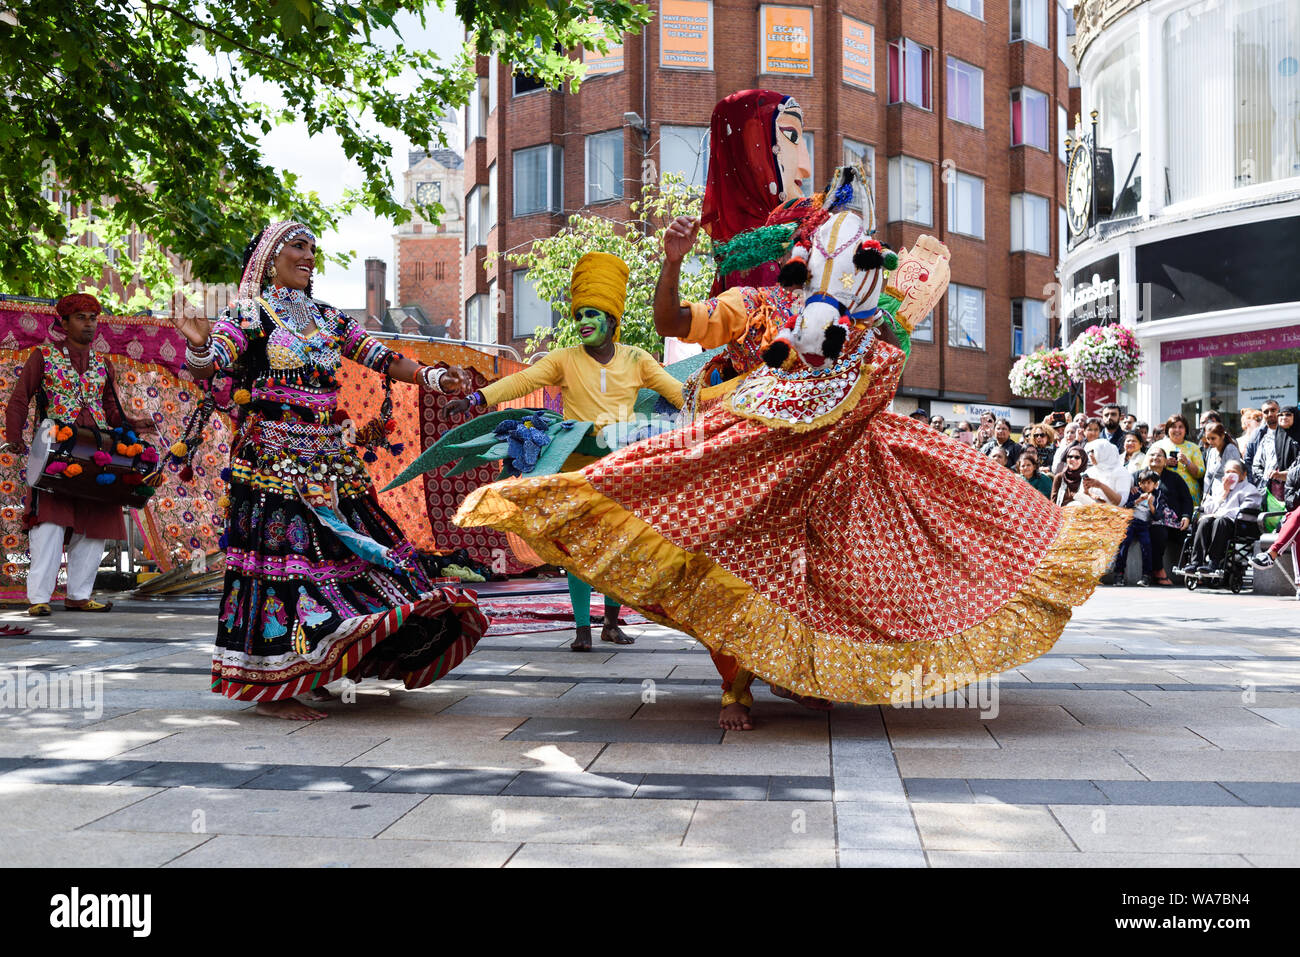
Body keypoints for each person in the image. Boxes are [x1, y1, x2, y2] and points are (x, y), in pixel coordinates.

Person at [458, 195, 1130, 734]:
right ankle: (735, 685)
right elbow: (672, 318)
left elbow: (876, 355)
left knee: (861, 565)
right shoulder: (749, 306)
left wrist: (876, 329)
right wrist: (672, 262)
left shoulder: (855, 310)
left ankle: (811, 673)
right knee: (734, 562)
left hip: (839, 458)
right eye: (805, 240)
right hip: (751, 454)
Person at [170, 221, 487, 720]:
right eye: (297, 247)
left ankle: (318, 665)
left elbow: (380, 357)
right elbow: (214, 362)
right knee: (286, 567)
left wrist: (434, 377)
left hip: (327, 459)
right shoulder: (250, 314)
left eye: (312, 249)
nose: (308, 256)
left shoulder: (326, 317)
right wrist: (198, 348)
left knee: (348, 557)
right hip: (272, 459)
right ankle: (273, 685)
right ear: (271, 256)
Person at [444, 252, 684, 651]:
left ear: (611, 319)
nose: (584, 322)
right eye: (579, 315)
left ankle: (611, 623)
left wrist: (718, 401)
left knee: (617, 546)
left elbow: (678, 394)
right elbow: (522, 382)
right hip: (574, 467)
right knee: (577, 550)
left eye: (593, 314)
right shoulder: (563, 359)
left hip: (617, 468)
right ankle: (581, 631)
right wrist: (475, 399)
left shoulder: (637, 359)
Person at [3, 294, 138, 616]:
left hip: (99, 454)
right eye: (81, 317)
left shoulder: (103, 363)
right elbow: (20, 399)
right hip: (55, 451)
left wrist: (133, 426)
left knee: (96, 523)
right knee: (49, 522)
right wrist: (13, 437)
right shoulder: (43, 356)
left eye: (93, 317)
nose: (89, 323)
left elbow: (110, 408)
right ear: (63, 323)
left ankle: (79, 595)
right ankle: (38, 598)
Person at [1184, 461, 1262, 575]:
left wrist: (1222, 514)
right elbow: (1207, 509)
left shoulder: (1250, 489)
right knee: (1205, 521)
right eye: (1227, 472)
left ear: (1244, 474)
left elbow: (1247, 510)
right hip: (1216, 523)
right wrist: (1224, 493)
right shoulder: (1220, 488)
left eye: (1234, 472)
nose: (1230, 475)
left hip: (1237, 525)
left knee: (1220, 521)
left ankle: (1214, 562)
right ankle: (1196, 562)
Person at [1145, 446, 1193, 586]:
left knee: (1187, 535)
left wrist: (1186, 516)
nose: (1156, 457)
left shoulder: (1174, 478)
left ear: (1165, 460)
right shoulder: (1138, 476)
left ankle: (1190, 568)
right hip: (1150, 520)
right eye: (1152, 454)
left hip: (1172, 520)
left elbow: (1186, 499)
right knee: (1158, 532)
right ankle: (1158, 570)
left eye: (1160, 455)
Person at [1114, 469, 1161, 586]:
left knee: (1147, 547)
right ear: (1139, 483)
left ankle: (1146, 576)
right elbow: (1125, 506)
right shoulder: (1135, 492)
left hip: (1144, 524)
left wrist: (1151, 504)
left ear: (1155, 484)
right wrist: (1138, 500)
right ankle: (1119, 574)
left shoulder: (1157, 495)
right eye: (1143, 482)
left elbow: (1157, 516)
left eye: (1149, 483)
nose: (1146, 485)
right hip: (1131, 521)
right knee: (1124, 543)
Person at [1153, 414, 1205, 506]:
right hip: (1163, 496)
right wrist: (1163, 463)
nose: (1177, 430)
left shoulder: (1194, 448)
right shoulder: (1157, 446)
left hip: (1189, 497)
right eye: (1173, 427)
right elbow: (1145, 470)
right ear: (1168, 429)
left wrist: (1187, 463)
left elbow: (1200, 473)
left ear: (1186, 430)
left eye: (1181, 427)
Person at [1079, 438, 1132, 506]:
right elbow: (1082, 498)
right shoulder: (1090, 471)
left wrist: (1100, 485)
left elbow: (1120, 502)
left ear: (1104, 452)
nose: (1090, 455)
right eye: (1089, 452)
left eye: (1093, 451)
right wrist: (1086, 492)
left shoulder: (1121, 472)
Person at [1201, 422, 1242, 502]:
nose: (1210, 441)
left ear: (1222, 436)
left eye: (1213, 438)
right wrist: (1206, 494)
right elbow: (1208, 475)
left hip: (1229, 496)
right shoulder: (1211, 451)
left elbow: (1235, 476)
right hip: (1214, 496)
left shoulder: (1230, 449)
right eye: (1208, 438)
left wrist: (1225, 493)